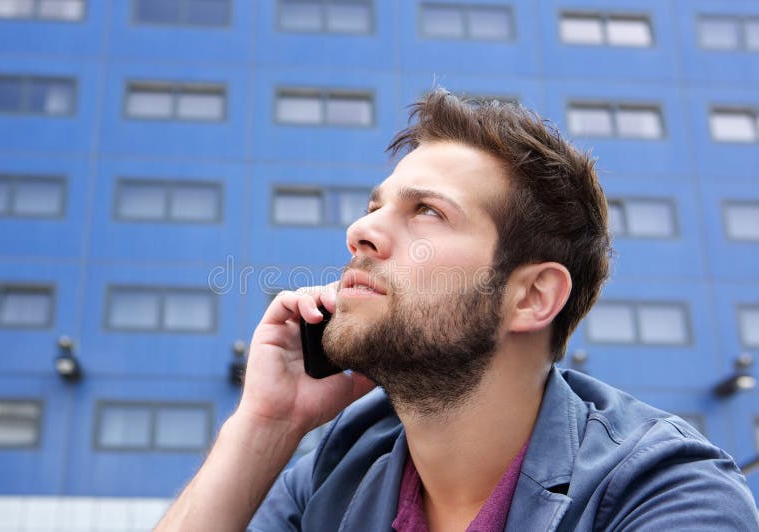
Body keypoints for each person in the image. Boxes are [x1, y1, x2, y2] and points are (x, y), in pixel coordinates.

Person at [156, 90, 759, 531]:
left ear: (531, 297)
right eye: (375, 205)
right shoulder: (339, 464)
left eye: (427, 212)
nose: (359, 230)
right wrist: (265, 425)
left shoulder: (664, 493)